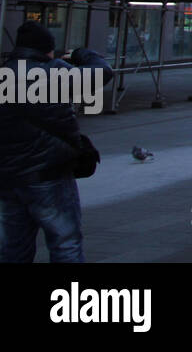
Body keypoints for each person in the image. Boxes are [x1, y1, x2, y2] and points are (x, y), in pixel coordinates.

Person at [0, 22, 112, 262]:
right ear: (46, 49)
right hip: (50, 176)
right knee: (65, 244)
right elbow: (103, 71)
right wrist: (81, 53)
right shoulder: (53, 73)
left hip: (8, 178)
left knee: (12, 248)